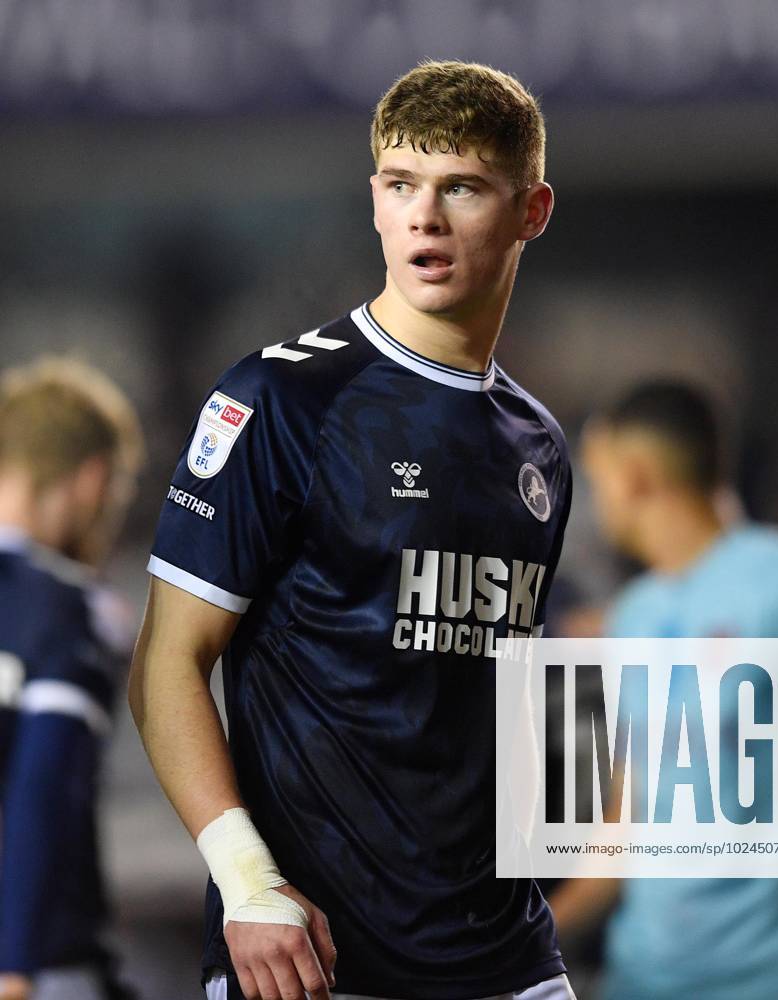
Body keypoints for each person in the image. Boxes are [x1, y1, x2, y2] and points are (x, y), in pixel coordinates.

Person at [129, 60, 576, 1000]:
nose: (426, 217)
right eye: (403, 185)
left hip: (508, 956)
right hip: (315, 957)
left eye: (462, 188)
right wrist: (248, 884)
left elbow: (498, 700)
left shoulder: (539, 444)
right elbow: (165, 665)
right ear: (376, 200)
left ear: (531, 211)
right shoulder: (282, 398)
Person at [549, 380, 778, 1000]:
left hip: (776, 985)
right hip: (641, 983)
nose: (594, 499)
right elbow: (630, 824)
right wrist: (528, 945)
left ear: (634, 477)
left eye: (597, 477)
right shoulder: (635, 616)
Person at [0, 358, 144, 1000]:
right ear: (92, 480)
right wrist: (16, 966)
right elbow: (43, 786)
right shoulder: (65, 607)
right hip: (41, 961)